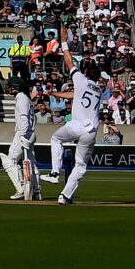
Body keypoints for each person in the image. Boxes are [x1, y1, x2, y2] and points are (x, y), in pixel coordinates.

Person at [46, 60, 109, 206]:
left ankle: (55, 173)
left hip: (76, 126)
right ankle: (64, 196)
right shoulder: (98, 91)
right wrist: (56, 93)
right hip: (90, 131)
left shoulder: (81, 79)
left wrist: (64, 43)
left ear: (86, 73)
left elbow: (68, 61)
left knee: (56, 139)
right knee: (80, 166)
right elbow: (74, 94)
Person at [0, 71, 40, 201]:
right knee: (32, 162)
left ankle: (21, 188)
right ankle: (37, 191)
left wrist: (21, 135)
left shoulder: (21, 99)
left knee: (10, 161)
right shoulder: (25, 98)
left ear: (16, 87)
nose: (8, 88)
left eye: (10, 86)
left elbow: (24, 118)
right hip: (31, 133)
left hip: (24, 133)